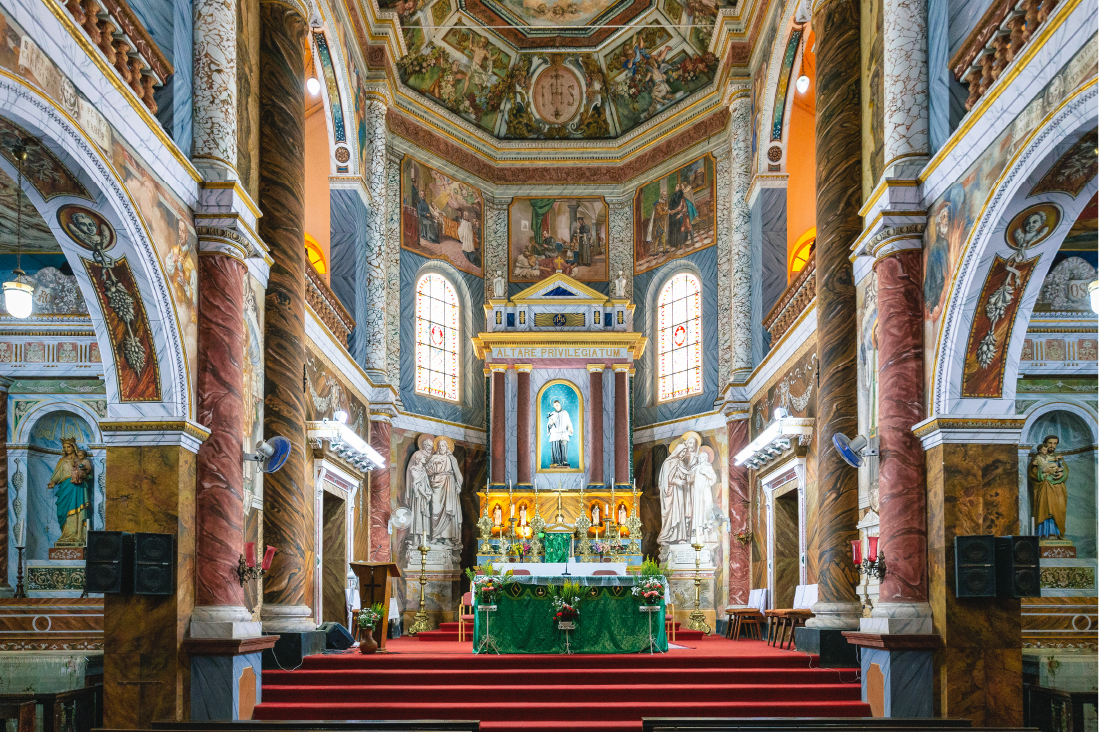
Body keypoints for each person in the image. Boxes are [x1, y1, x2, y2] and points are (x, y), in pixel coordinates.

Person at [50, 438, 92, 546]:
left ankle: (78, 535)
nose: (67, 449)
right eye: (64, 447)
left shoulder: (81, 461)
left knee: (78, 511)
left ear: (73, 447)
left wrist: (83, 475)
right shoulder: (62, 461)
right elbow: (57, 474)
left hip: (77, 487)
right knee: (62, 510)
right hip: (65, 487)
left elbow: (89, 474)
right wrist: (53, 482)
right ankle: (67, 534)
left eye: (68, 446)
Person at [1031, 435, 1069, 539]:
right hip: (1044, 486)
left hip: (1058, 489)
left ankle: (1058, 533)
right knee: (1046, 508)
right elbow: (1033, 472)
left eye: (1055, 443)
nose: (1052, 445)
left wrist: (1062, 474)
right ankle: (1045, 533)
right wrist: (1042, 471)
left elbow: (1065, 470)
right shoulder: (1039, 457)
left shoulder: (1058, 457)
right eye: (1050, 443)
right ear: (1045, 444)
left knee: (1059, 509)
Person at [425, 437, 463, 542]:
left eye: (443, 446)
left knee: (448, 510)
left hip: (449, 484)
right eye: (439, 446)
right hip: (437, 483)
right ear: (437, 447)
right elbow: (428, 472)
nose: (441, 447)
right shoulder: (433, 458)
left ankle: (447, 537)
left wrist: (458, 485)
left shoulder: (452, 459)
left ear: (447, 447)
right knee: (435, 509)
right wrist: (433, 465)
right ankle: (435, 536)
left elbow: (458, 475)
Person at [547, 398, 574, 467]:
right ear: (553, 406)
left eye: (557, 405)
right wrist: (550, 423)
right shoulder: (552, 414)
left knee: (564, 448)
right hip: (555, 435)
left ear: (560, 404)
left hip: (563, 434)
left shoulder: (565, 413)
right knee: (556, 450)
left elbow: (568, 422)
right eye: (555, 406)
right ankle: (556, 464)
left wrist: (569, 428)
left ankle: (564, 463)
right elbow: (549, 426)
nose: (556, 406)